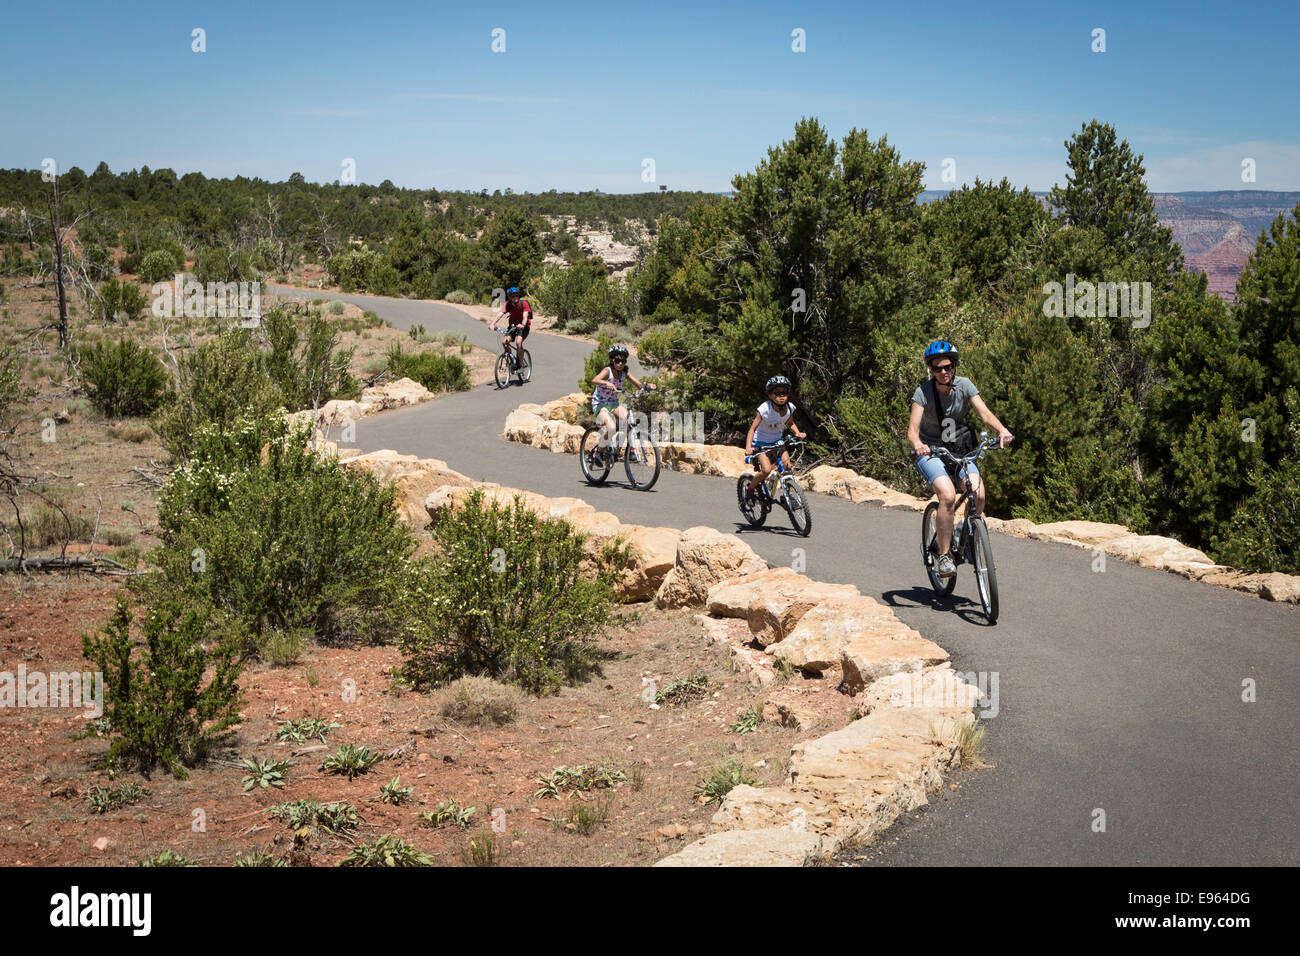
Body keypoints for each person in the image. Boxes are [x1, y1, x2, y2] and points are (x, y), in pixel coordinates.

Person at [907, 340, 1013, 578]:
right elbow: (912, 430)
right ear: (931, 370)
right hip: (931, 452)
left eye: (948, 367)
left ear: (954, 365)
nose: (944, 372)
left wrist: (1002, 430)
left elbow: (984, 414)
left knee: (978, 492)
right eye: (937, 368)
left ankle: (965, 534)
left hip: (959, 450)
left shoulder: (965, 385)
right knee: (946, 495)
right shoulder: (923, 393)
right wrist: (918, 445)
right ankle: (944, 556)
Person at [743, 375, 807, 501]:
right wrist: (748, 447)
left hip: (777, 441)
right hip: (761, 441)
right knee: (766, 470)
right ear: (770, 395)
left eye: (784, 393)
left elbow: (790, 423)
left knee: (788, 466)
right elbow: (752, 429)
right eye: (777, 393)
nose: (781, 396)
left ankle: (787, 495)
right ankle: (750, 489)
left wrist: (797, 433)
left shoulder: (789, 408)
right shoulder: (765, 409)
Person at [590, 344, 656, 461]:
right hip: (600, 404)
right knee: (611, 427)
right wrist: (606, 383)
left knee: (628, 420)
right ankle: (598, 453)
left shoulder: (625, 372)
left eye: (623, 361)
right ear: (612, 360)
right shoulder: (607, 371)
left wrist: (647, 386)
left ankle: (631, 450)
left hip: (613, 404)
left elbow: (638, 384)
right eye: (617, 360)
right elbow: (594, 380)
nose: (620, 363)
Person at [490, 286, 531, 368]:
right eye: (513, 295)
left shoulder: (524, 303)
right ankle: (512, 360)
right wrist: (492, 324)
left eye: (516, 295)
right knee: (504, 342)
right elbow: (500, 314)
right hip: (512, 327)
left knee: (518, 343)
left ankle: (520, 365)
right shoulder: (508, 304)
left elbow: (525, 316)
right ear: (509, 297)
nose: (515, 297)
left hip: (524, 327)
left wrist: (522, 325)